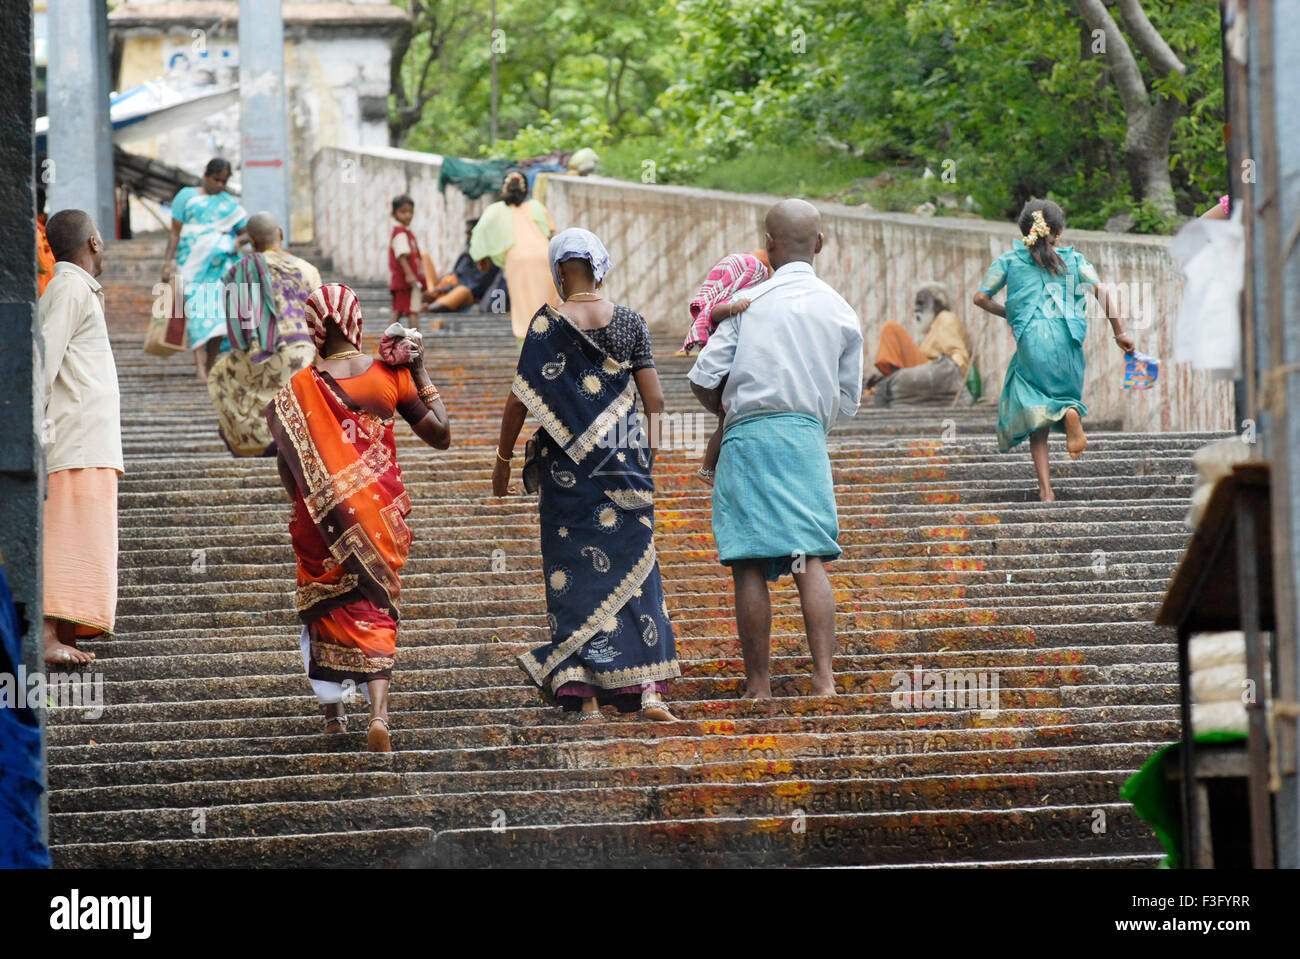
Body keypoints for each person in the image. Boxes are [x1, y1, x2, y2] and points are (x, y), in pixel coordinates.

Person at [492, 228, 679, 722]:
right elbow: (655, 402)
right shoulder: (631, 323)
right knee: (637, 575)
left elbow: (519, 399)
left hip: (569, 474)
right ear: (600, 268)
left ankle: (587, 696)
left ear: (559, 272)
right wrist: (646, 458)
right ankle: (648, 692)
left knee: (574, 576)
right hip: (625, 465)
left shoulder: (545, 325)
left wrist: (503, 460)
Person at [688, 199, 863, 700]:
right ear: (820, 245)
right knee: (809, 558)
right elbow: (848, 400)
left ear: (768, 246)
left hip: (746, 437)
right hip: (805, 437)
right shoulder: (840, 309)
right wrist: (807, 416)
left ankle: (759, 684)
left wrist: (728, 409)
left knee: (748, 562)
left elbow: (703, 377)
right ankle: (824, 679)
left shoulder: (749, 302)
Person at [266, 283, 450, 752]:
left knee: (324, 608)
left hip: (319, 519)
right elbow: (441, 434)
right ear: (356, 322)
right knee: (377, 606)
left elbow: (288, 467)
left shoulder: (296, 390)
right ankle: (379, 715)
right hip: (377, 517)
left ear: (314, 328)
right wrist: (419, 368)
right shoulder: (388, 376)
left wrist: (312, 506)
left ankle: (333, 718)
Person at [973, 199, 1135, 502]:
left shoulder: (1009, 261)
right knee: (1059, 398)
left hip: (1032, 344)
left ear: (1025, 232)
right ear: (1058, 232)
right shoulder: (1073, 261)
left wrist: (1011, 313)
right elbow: (1101, 291)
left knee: (1037, 419)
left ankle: (1046, 491)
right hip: (1067, 341)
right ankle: (1070, 410)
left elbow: (980, 298)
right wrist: (1120, 333)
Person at [39, 209, 123, 665]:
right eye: (102, 237)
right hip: (74, 436)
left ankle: (66, 626)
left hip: (89, 437)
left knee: (85, 533)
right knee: (67, 533)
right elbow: (45, 360)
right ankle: (48, 633)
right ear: (93, 241)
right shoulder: (70, 287)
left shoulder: (75, 288)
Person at [206, 211, 322, 456]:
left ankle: (255, 439)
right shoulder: (308, 269)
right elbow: (321, 319)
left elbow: (239, 330)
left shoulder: (240, 270)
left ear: (253, 244)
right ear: (280, 234)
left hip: (265, 355)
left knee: (218, 375)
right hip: (307, 356)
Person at [679, 251, 771, 486]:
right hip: (721, 375)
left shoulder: (751, 296)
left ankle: (711, 468)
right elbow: (714, 312)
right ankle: (708, 469)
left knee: (727, 421)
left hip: (728, 374)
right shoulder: (736, 298)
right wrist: (734, 307)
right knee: (725, 422)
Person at [161, 158, 250, 382]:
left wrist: (236, 244)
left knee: (220, 319)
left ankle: (210, 367)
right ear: (205, 175)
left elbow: (247, 232)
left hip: (219, 268)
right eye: (215, 179)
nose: (219, 185)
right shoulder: (186, 197)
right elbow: (174, 232)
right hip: (190, 263)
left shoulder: (228, 203)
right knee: (198, 314)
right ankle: (200, 367)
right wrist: (167, 262)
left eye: (223, 181)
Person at [469, 169, 559, 345]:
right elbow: (550, 234)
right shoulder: (536, 206)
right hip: (543, 257)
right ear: (525, 189)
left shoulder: (496, 209)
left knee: (524, 309)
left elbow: (479, 232)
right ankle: (550, 348)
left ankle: (526, 354)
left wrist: (482, 259)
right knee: (547, 306)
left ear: (504, 187)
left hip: (517, 260)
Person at [867, 282, 973, 407]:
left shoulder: (946, 318)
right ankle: (887, 379)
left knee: (891, 328)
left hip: (934, 375)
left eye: (921, 303)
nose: (916, 309)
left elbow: (959, 358)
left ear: (938, 304)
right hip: (923, 373)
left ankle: (889, 379)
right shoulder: (932, 330)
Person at [427, 218, 502, 314]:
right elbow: (455, 273)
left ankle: (428, 309)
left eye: (470, 234)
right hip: (442, 288)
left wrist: (445, 289)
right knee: (424, 257)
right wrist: (437, 288)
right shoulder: (466, 254)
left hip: (459, 294)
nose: (467, 238)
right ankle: (429, 293)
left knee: (463, 291)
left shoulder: (488, 261)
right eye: (467, 234)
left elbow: (472, 287)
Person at [389, 194, 426, 326]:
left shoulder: (405, 233)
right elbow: (401, 255)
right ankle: (414, 342)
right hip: (407, 281)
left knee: (400, 310)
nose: (408, 215)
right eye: (403, 212)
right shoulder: (400, 233)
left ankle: (390, 341)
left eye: (410, 212)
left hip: (407, 281)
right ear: (394, 214)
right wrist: (409, 274)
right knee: (412, 311)